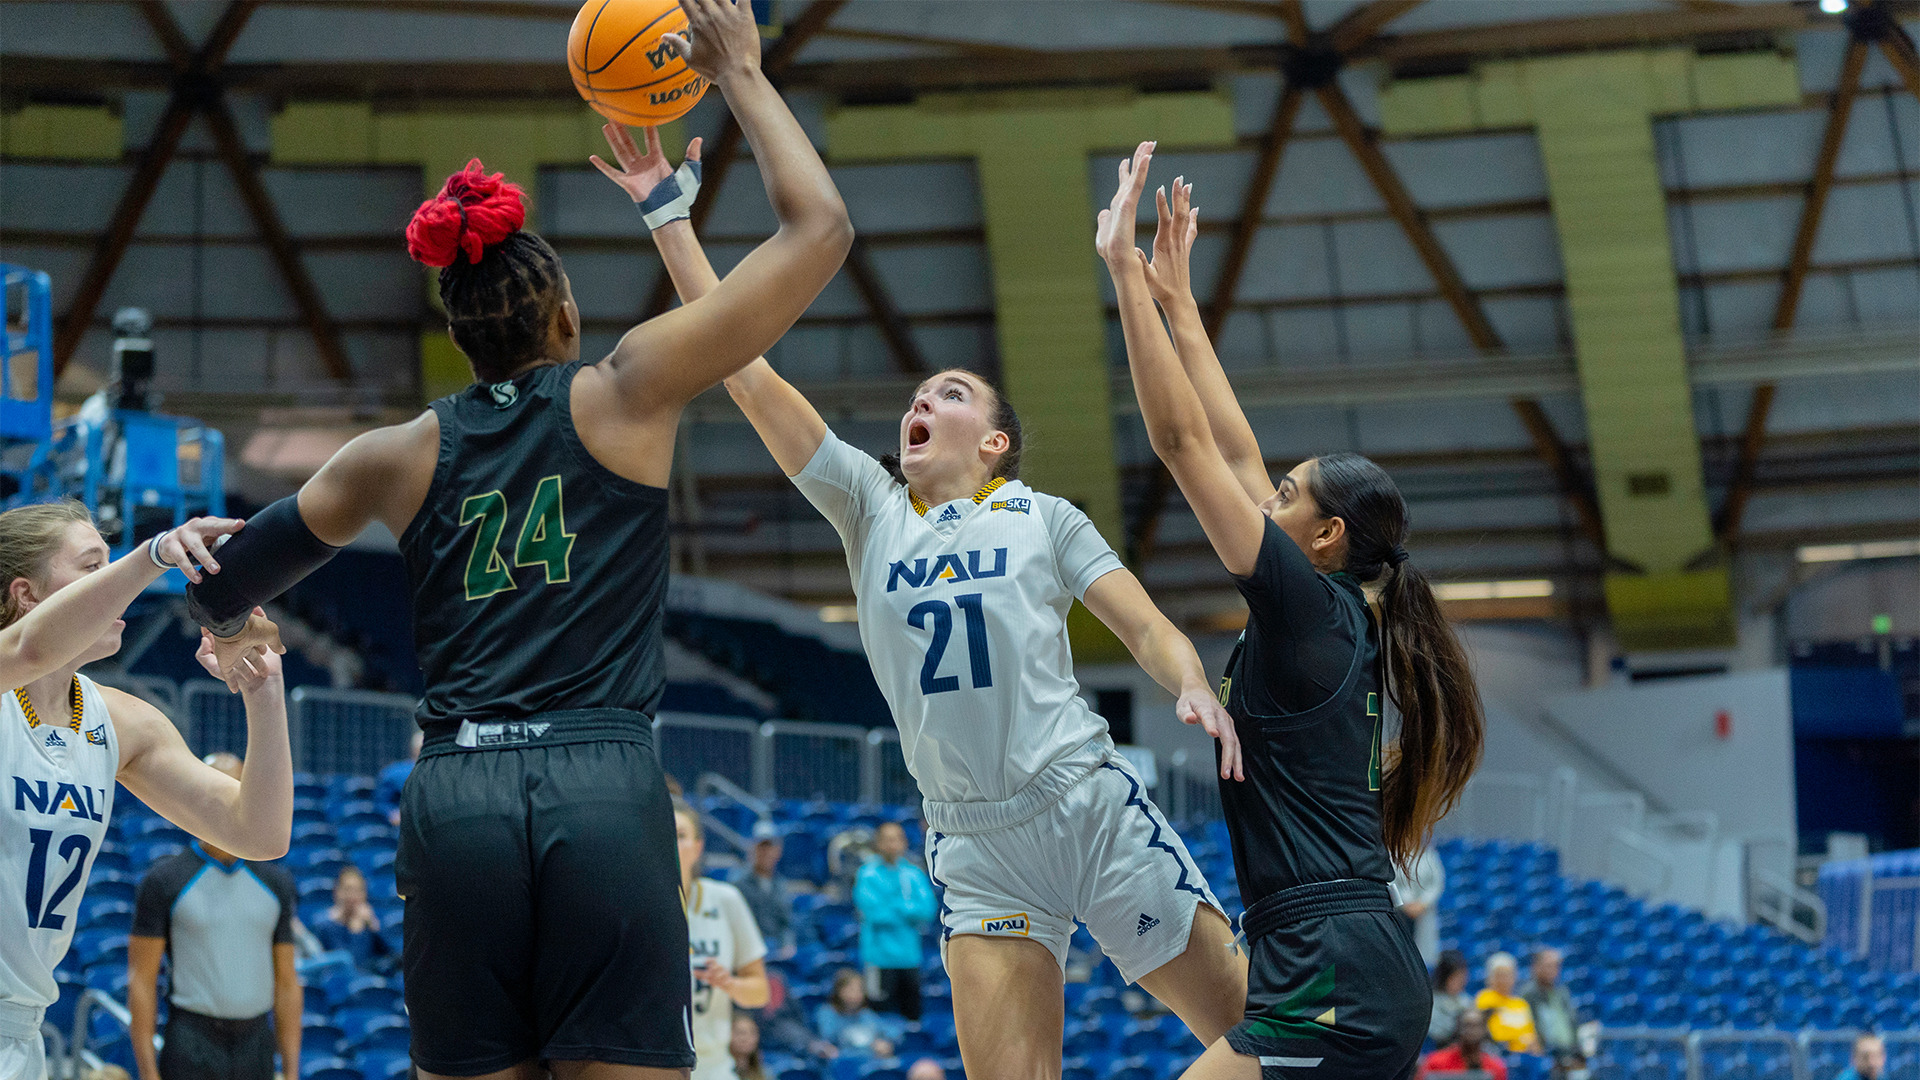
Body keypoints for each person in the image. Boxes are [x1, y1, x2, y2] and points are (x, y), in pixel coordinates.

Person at [181, 0, 852, 1074]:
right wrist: (740, 76)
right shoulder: (628, 390)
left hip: (456, 797)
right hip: (601, 783)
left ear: (459, 336)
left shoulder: (391, 455)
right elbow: (820, 230)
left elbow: (217, 584)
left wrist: (244, 622)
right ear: (568, 321)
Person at [631, 126, 1248, 1080]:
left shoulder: (1043, 516)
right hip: (971, 837)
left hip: (1084, 801)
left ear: (994, 442)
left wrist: (1190, 683)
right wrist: (667, 214)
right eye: (919, 394)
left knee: (1266, 1033)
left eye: (949, 393)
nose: (922, 400)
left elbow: (1146, 626)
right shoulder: (870, 507)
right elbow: (742, 366)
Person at [1100, 149, 1485, 1080]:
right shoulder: (1329, 608)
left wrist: (1120, 273)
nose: (1264, 496)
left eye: (1285, 494)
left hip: (1333, 973)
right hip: (1329, 960)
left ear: (1326, 536)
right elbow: (1233, 453)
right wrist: (1180, 305)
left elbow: (1184, 442)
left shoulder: (1312, 609)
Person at [0, 501, 290, 1080]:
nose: (117, 587)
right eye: (92, 569)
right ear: (27, 595)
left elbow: (259, 834)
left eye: (113, 566)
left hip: (22, 1029)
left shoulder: (120, 720)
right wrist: (154, 555)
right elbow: (30, 651)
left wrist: (263, 691)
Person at [130, 752, 302, 1080]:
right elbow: (142, 980)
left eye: (234, 787)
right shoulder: (165, 880)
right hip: (190, 1040)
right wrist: (148, 1073)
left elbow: (287, 983)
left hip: (256, 1043)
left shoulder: (276, 882)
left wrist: (292, 1072)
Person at [676, 801, 772, 1080]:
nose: (672, 843)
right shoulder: (636, 906)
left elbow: (760, 991)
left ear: (698, 846)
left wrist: (729, 983)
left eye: (681, 835)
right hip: (655, 1066)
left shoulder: (726, 899)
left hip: (714, 1065)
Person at [853, 822, 935, 1022]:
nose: (893, 844)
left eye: (897, 838)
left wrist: (895, 906)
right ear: (878, 843)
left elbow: (928, 909)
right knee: (879, 1020)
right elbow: (874, 914)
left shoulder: (914, 874)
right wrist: (908, 910)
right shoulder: (867, 874)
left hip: (910, 959)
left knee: (912, 1022)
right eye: (888, 839)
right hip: (880, 960)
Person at [312, 864, 392, 972]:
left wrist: (374, 927)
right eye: (348, 889)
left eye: (358, 890)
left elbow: (393, 958)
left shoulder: (369, 926)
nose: (353, 896)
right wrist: (356, 932)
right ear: (337, 891)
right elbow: (351, 967)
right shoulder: (324, 927)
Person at [813, 970, 902, 1061]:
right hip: (845, 1063)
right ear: (839, 991)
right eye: (851, 989)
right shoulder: (827, 1013)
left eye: (860, 990)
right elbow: (828, 1040)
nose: (855, 994)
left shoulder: (866, 1014)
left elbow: (893, 1032)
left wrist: (885, 1043)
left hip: (871, 1060)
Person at [737, 821, 795, 959]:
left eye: (770, 847)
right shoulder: (738, 884)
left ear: (778, 851)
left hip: (776, 949)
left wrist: (787, 945)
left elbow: (785, 924)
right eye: (761, 847)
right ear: (753, 849)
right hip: (749, 951)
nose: (766, 852)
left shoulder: (780, 884)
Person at [1520, 947, 1583, 1067]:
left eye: (1556, 966)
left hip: (1568, 1052)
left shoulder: (1562, 992)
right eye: (1548, 966)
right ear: (1536, 967)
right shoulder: (1528, 994)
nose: (1553, 970)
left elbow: (1572, 1022)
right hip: (1546, 1055)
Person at [1475, 953, 1540, 1056]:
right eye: (1499, 975)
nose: (1503, 980)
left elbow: (1532, 1036)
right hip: (1500, 1054)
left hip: (1525, 1055)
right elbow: (1496, 1034)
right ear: (1490, 977)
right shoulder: (1485, 998)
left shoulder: (1520, 1004)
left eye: (1508, 975)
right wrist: (1520, 1039)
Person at [1392, 845, 1445, 968]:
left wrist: (1422, 904)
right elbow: (1392, 881)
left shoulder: (1429, 855)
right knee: (1400, 955)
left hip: (1424, 911)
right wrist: (1406, 904)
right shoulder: (1393, 855)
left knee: (1423, 958)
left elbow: (1436, 884)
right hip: (1400, 911)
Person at [1420, 1010, 1507, 1080]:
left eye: (1476, 1026)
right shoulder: (1435, 1062)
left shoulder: (1495, 1067)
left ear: (1484, 1030)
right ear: (1458, 1028)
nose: (1471, 1031)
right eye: (1467, 1025)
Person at [376, 728, 422, 825]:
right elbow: (380, 802)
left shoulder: (441, 773)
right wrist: (391, 814)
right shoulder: (395, 773)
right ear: (414, 749)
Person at [1428, 950, 1473, 1047]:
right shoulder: (1432, 1001)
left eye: (1463, 977)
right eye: (1457, 977)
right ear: (1445, 977)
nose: (1462, 981)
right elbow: (1437, 1033)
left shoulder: (1465, 1000)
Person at [727, 1015, 768, 1080]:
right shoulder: (717, 1071)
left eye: (752, 1033)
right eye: (740, 1033)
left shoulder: (765, 1072)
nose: (746, 1038)